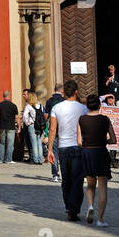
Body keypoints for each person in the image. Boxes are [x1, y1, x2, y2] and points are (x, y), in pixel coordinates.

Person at [46, 78, 88, 221]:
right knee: (77, 180)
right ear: (76, 92)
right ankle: (74, 209)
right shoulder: (83, 108)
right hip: (78, 146)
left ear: (64, 93)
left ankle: (68, 207)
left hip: (62, 147)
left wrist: (50, 149)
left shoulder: (56, 108)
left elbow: (52, 130)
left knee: (66, 180)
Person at [78, 92, 113, 226]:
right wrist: (104, 139)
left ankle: (90, 206)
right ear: (99, 105)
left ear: (87, 106)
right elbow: (113, 138)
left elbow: (79, 141)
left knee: (90, 185)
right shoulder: (105, 119)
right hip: (101, 152)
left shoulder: (81, 119)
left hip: (87, 152)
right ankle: (100, 219)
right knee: (103, 187)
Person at [45, 84, 64, 183]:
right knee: (64, 153)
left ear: (54, 90)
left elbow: (46, 116)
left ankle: (55, 175)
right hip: (64, 130)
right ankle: (65, 174)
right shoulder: (64, 101)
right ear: (62, 90)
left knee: (54, 153)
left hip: (54, 129)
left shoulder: (49, 101)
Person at [21, 92, 43, 165]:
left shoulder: (28, 106)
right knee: (39, 143)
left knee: (34, 143)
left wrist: (27, 123)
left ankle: (35, 160)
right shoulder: (40, 105)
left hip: (32, 125)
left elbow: (24, 116)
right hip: (40, 126)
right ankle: (40, 159)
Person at [0, 91, 18, 163]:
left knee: (2, 143)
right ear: (9, 96)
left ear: (3, 96)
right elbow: (16, 117)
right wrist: (19, 126)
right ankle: (8, 159)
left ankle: (1, 159)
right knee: (10, 143)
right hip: (11, 126)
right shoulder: (13, 106)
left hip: (2, 125)